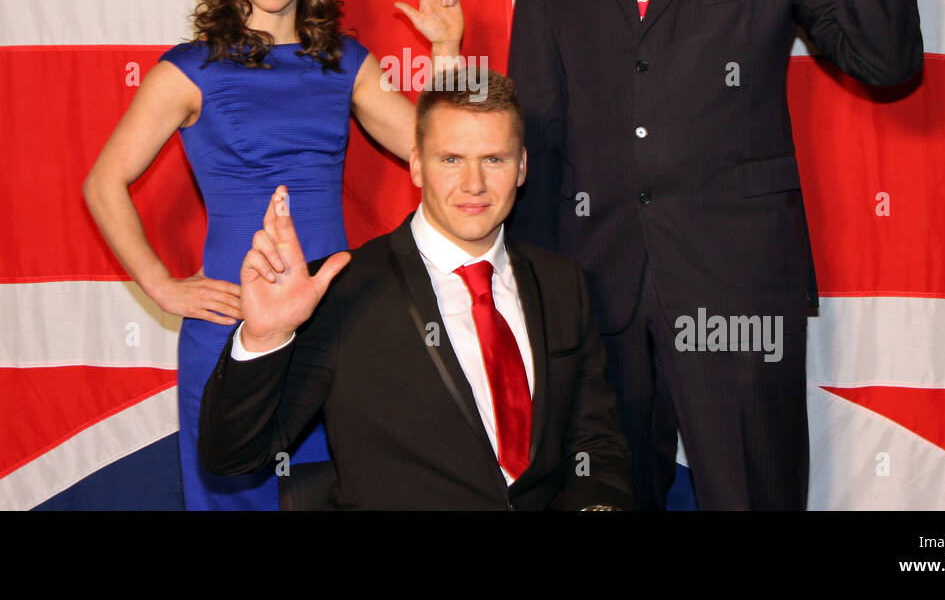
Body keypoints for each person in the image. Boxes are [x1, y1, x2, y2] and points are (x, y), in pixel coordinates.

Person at [507, 0, 924, 510]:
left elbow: (884, 61)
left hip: (736, 282)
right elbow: (541, 114)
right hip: (596, 284)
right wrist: (531, 282)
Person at [82, 0, 463, 510]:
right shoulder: (189, 69)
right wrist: (161, 285)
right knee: (234, 497)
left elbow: (440, 153)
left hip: (337, 325)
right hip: (231, 323)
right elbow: (103, 183)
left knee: (339, 496)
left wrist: (445, 50)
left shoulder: (346, 62)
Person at [199, 69, 634, 510]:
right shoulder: (340, 293)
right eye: (451, 159)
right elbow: (233, 456)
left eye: (494, 159)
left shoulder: (562, 283)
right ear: (416, 165)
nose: (474, 184)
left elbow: (594, 442)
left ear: (521, 166)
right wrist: (265, 340)